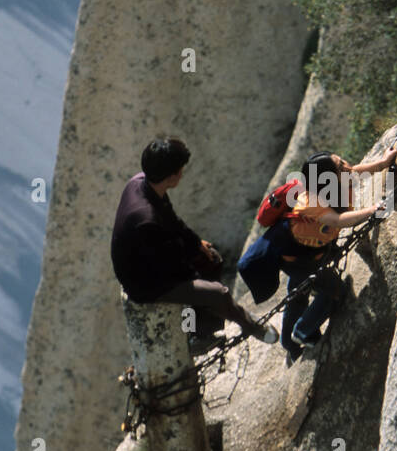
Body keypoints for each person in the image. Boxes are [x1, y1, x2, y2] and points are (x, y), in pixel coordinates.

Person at [111, 137, 277, 347]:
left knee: (212, 259)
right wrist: (200, 280)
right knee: (218, 293)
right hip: (144, 281)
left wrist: (197, 245)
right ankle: (252, 326)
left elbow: (174, 223)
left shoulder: (142, 183)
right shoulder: (146, 219)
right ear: (173, 175)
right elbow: (172, 268)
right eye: (180, 169)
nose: (182, 173)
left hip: (152, 258)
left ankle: (201, 333)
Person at [279, 146, 397, 357]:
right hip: (301, 257)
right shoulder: (312, 204)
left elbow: (357, 172)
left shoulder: (334, 183)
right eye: (340, 166)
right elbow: (338, 221)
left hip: (304, 251)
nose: (347, 166)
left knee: (297, 292)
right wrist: (372, 210)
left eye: (342, 162)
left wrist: (383, 163)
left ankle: (288, 342)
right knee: (335, 292)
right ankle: (302, 331)